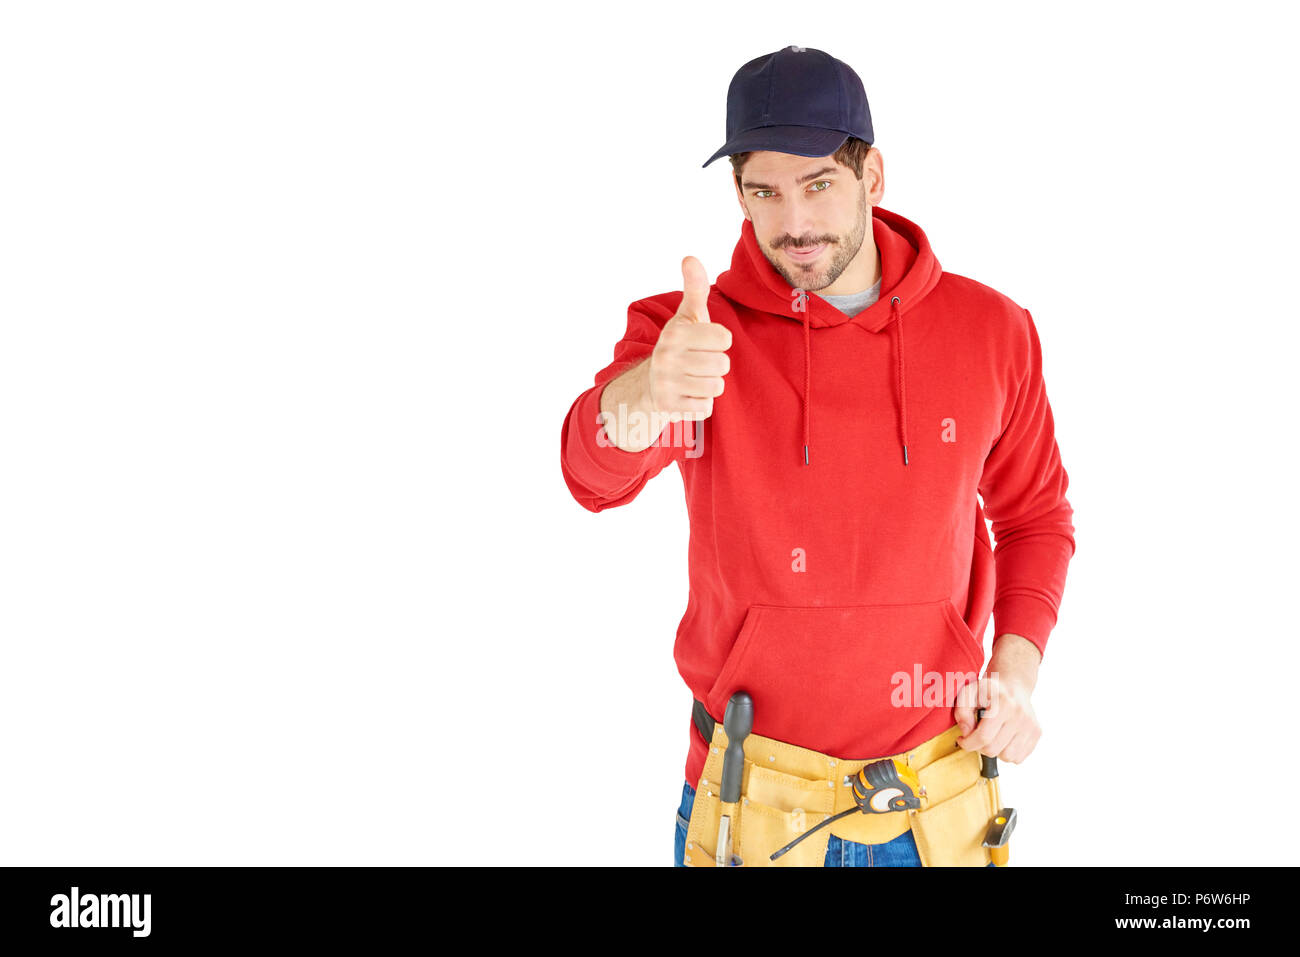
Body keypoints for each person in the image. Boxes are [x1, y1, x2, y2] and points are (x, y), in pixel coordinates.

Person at [560, 46, 1075, 867]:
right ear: (739, 194)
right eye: (764, 191)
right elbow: (592, 475)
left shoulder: (993, 331)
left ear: (873, 176)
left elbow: (1035, 517)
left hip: (937, 806)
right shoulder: (690, 336)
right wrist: (648, 394)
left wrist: (1014, 670)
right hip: (750, 809)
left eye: (818, 183)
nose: (794, 222)